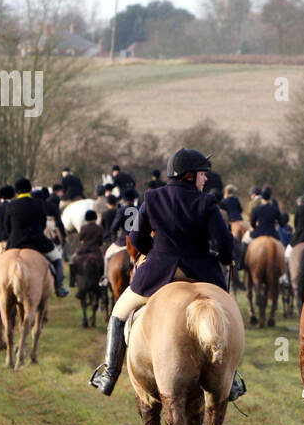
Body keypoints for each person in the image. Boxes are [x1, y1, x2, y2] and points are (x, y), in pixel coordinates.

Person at [89, 148, 243, 400]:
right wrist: (223, 258)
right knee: (228, 317)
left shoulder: (152, 197)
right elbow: (225, 244)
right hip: (201, 273)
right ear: (188, 175)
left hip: (157, 273)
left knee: (118, 314)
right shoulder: (206, 202)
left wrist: (155, 254)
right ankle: (231, 378)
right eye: (202, 174)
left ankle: (109, 373)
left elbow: (136, 237)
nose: (205, 179)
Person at [4, 178, 70, 297]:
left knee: (1, 262)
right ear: (30, 189)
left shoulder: (10, 206)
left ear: (16, 191)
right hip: (36, 241)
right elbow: (42, 224)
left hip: (15, 242)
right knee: (57, 258)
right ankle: (60, 287)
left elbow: (7, 226)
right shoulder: (38, 204)